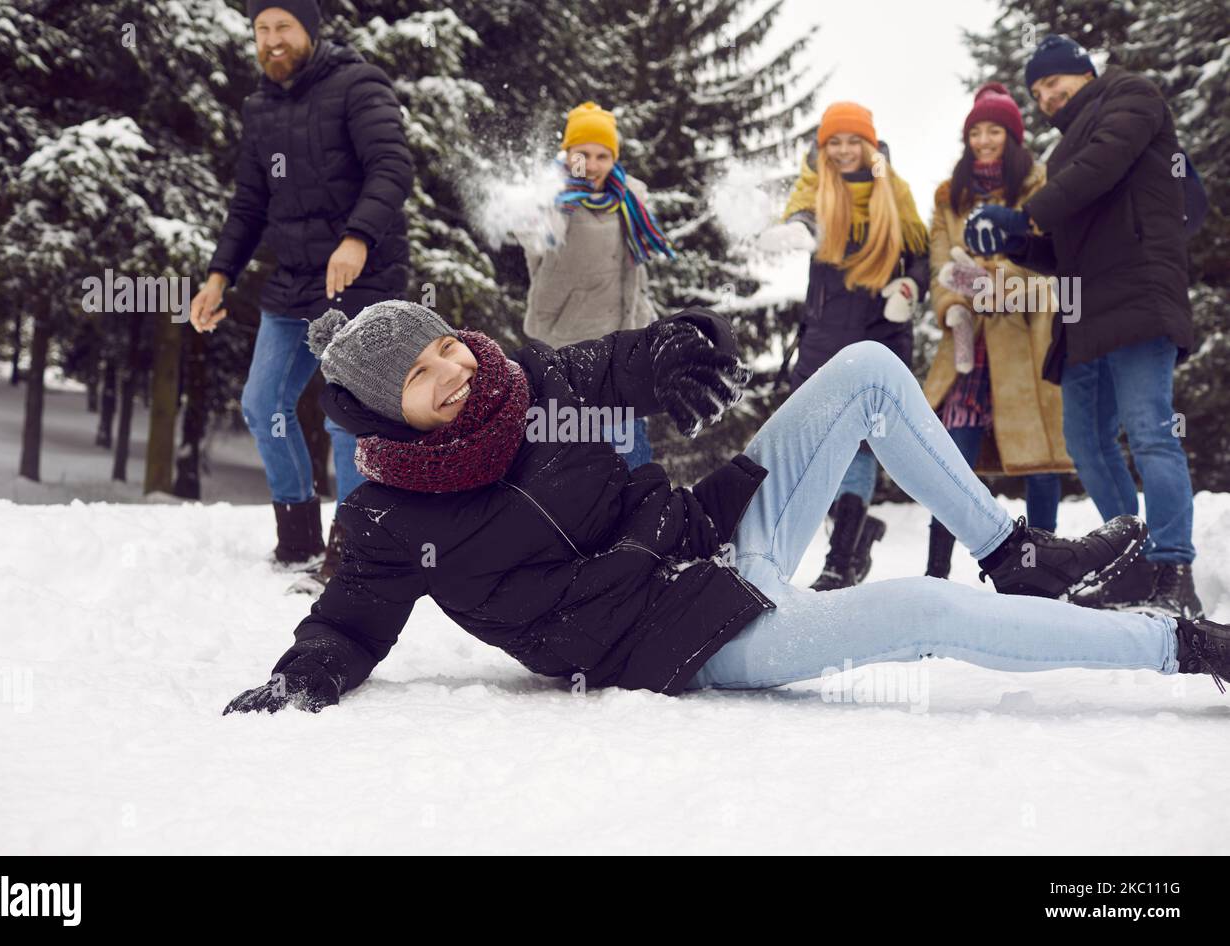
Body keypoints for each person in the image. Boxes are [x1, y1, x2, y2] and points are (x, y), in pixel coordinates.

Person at [221, 300, 1229, 716]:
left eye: (439, 344)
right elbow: (347, 619)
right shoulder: (392, 519)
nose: (447, 370)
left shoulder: (526, 381)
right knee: (917, 616)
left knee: (870, 367)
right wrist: (300, 678)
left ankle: (1010, 551)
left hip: (707, 535)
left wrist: (665, 344)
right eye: (416, 374)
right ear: (377, 413)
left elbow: (612, 356)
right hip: (673, 641)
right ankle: (1181, 650)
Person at [965, 34, 1202, 619]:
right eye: (1038, 89)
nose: (1047, 95)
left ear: (1085, 72)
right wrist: (1019, 241)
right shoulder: (1064, 151)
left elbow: (1105, 163)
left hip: (1140, 292)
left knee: (1151, 431)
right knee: (1087, 444)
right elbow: (1065, 251)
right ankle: (1132, 562)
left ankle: (1175, 570)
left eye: (1054, 81)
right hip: (1084, 308)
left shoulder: (1131, 97)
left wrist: (1024, 214)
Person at [188, 0, 414, 583]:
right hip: (291, 280)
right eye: (261, 29)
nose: (271, 40)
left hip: (360, 277)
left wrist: (358, 236)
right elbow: (249, 203)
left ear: (309, 30)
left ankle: (355, 550)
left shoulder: (357, 84)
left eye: (283, 26)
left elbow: (391, 166)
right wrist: (219, 276)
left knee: (344, 415)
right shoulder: (260, 107)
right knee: (263, 405)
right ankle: (297, 539)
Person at [766, 102, 930, 590]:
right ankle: (857, 537)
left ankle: (841, 561)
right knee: (819, 447)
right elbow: (804, 213)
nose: (840, 151)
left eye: (850, 141)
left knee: (859, 445)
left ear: (868, 144)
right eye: (832, 142)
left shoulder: (893, 191)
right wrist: (795, 230)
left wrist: (910, 289)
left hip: (881, 335)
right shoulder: (816, 185)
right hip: (822, 338)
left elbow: (920, 254)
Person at [921, 82, 1071, 579]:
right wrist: (952, 305)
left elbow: (1048, 260)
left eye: (995, 131)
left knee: (1039, 455)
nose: (984, 140)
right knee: (948, 460)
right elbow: (940, 264)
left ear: (1012, 136)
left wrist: (994, 277)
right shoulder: (950, 195)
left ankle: (1039, 569)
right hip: (967, 345)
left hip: (1025, 338)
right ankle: (936, 575)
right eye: (976, 131)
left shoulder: (1038, 184)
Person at [517, 102, 675, 468]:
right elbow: (529, 236)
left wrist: (648, 323)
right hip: (564, 343)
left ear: (614, 158)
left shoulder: (628, 199)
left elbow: (636, 272)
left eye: (602, 155)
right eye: (582, 154)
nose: (591, 164)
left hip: (623, 341)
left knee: (629, 453)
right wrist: (540, 214)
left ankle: (632, 519)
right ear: (567, 153)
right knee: (568, 450)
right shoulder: (553, 198)